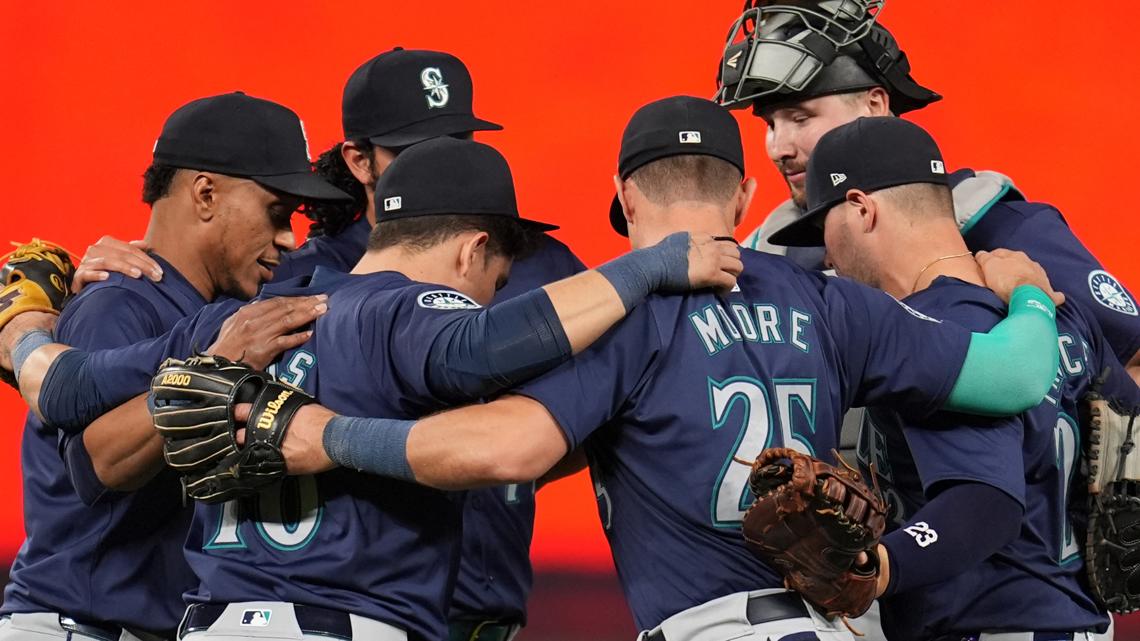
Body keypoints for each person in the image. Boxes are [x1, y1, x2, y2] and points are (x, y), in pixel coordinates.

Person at [252, 96, 1067, 641]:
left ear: (626, 196)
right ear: (745, 195)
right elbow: (1013, 377)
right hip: (835, 626)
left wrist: (333, 438)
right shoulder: (828, 301)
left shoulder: (623, 316)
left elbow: (508, 451)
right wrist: (1029, 296)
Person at [1, 135, 744, 641]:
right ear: (473, 248)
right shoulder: (406, 310)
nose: (494, 290)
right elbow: (478, 347)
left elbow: (65, 393)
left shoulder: (243, 319)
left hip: (214, 618)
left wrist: (25, 325)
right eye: (499, 275)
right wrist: (647, 268)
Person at [54, 48, 587, 639]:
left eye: (458, 138)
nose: (443, 160)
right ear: (359, 160)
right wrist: (67, 297)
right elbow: (125, 413)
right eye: (414, 147)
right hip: (340, 598)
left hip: (479, 602)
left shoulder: (532, 259)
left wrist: (506, 448)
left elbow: (618, 393)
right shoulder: (283, 278)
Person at [0, 92, 349, 641]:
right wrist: (213, 369)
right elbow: (101, 467)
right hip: (81, 627)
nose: (288, 237)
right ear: (205, 194)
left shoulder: (213, 307)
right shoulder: (118, 302)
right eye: (276, 213)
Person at [777, 115, 1133, 640]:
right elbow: (1132, 434)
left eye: (821, 226)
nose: (824, 253)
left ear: (861, 209)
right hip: (1075, 621)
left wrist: (877, 565)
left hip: (988, 625)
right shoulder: (1061, 312)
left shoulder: (936, 330)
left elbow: (985, 504)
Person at [714, 2, 1140, 378]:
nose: (778, 148)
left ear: (876, 106)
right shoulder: (773, 252)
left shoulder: (1002, 228)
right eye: (770, 124)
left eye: (800, 117)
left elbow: (1134, 360)